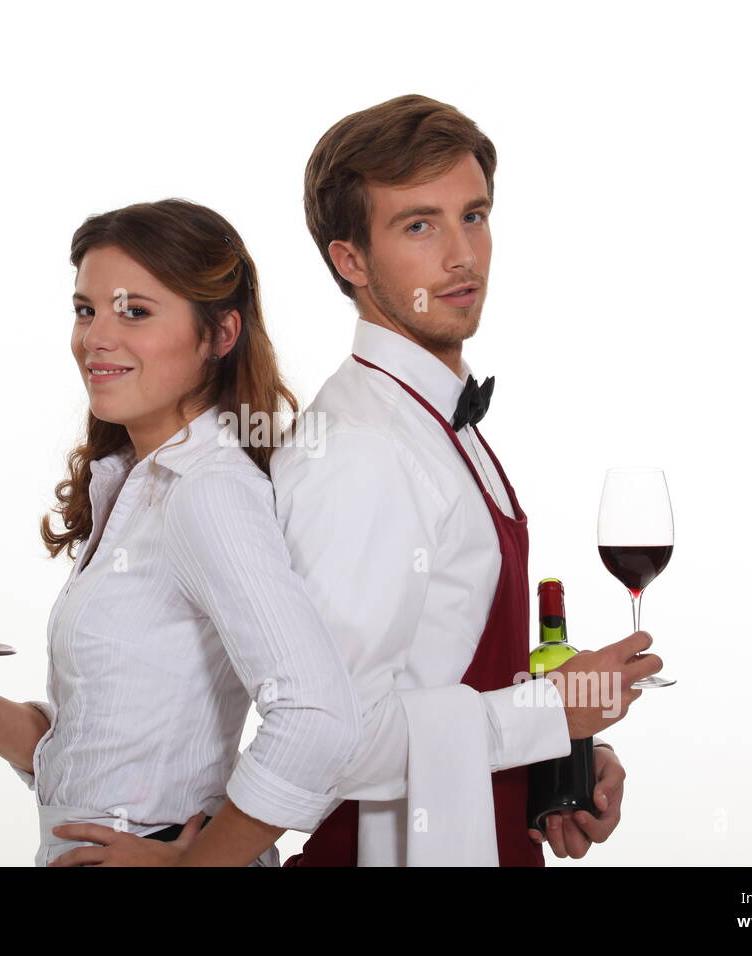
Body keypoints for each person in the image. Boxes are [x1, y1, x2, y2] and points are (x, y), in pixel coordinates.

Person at [0, 199, 362, 868]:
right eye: (86, 309)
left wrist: (195, 866)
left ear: (220, 333)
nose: (96, 337)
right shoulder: (136, 482)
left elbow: (318, 719)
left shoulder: (207, 491)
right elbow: (83, 754)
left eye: (135, 312)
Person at [269, 94, 665, 866]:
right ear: (350, 260)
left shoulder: (436, 413)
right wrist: (554, 710)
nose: (463, 256)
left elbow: (440, 680)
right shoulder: (357, 447)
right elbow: (327, 742)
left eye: (474, 216)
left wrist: (550, 765)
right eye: (420, 224)